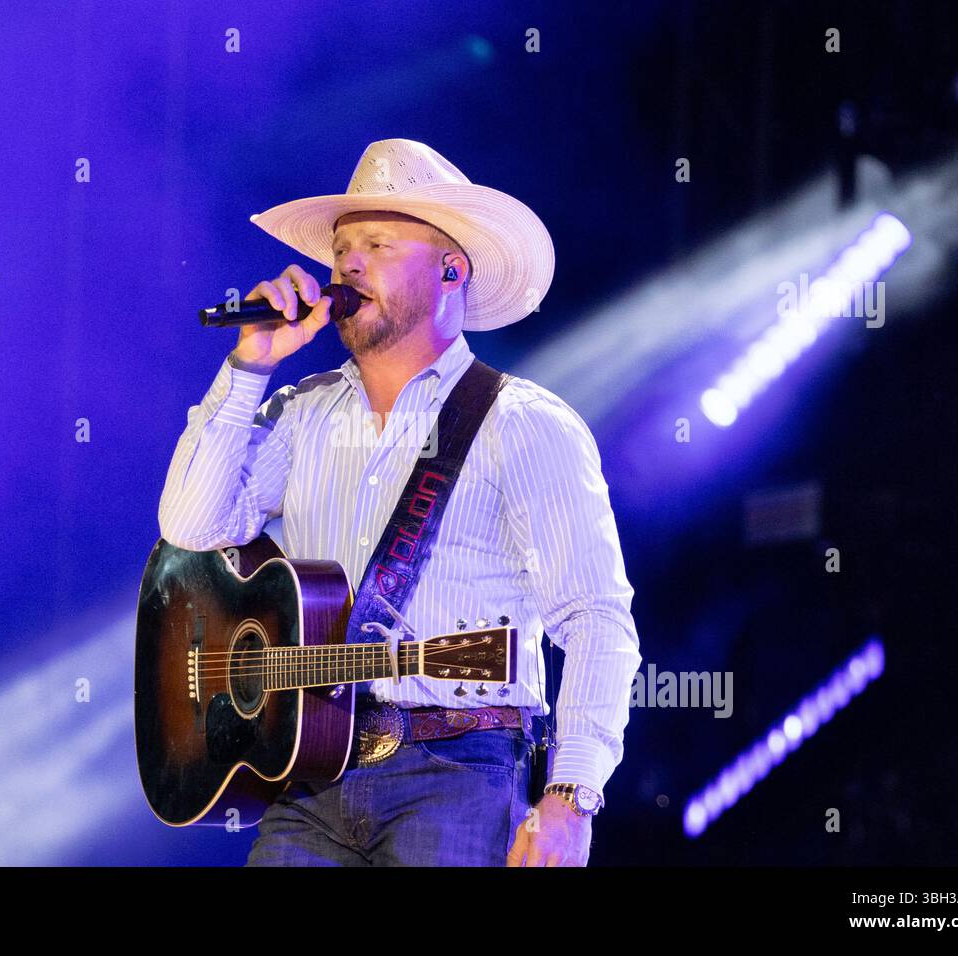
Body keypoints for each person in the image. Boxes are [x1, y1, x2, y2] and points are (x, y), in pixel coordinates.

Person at [158, 139, 642, 866]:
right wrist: (247, 365)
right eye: (342, 247)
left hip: (459, 775)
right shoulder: (299, 413)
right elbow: (190, 528)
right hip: (311, 778)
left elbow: (597, 618)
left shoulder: (524, 424)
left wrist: (571, 798)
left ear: (452, 271)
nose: (347, 264)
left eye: (377, 243)